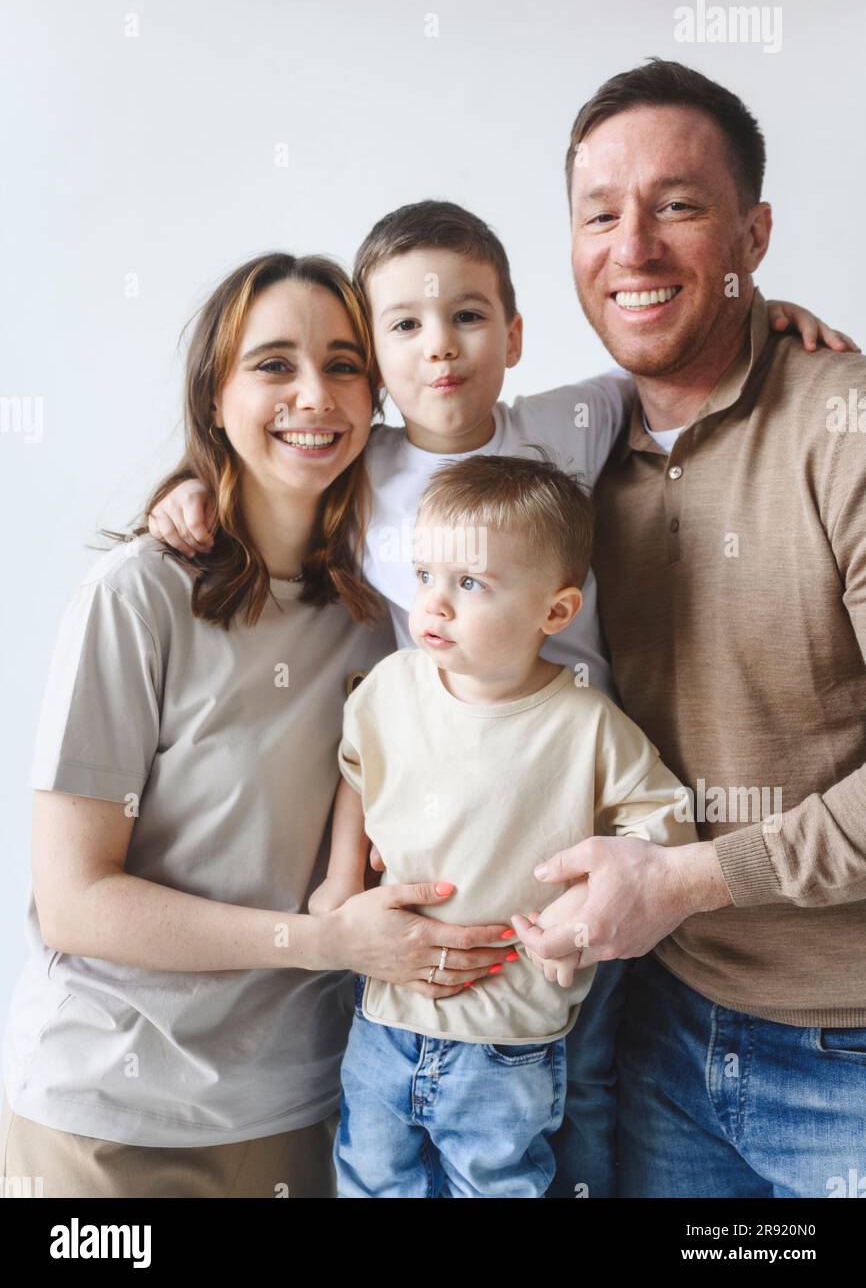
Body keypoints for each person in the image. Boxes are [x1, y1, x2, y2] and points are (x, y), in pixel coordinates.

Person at [148, 200, 849, 1197]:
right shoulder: (365, 472)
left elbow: (680, 350)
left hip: (572, 804)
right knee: (413, 1087)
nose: (439, 349)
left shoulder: (571, 419)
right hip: (449, 817)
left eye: (468, 317)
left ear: (513, 334)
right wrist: (192, 487)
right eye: (403, 327)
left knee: (579, 1077)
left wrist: (766, 312)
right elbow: (271, 471)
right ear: (372, 360)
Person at [0, 252, 512, 1198]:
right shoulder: (138, 595)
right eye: (273, 364)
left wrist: (764, 334)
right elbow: (75, 900)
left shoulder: (386, 609)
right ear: (214, 398)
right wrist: (322, 942)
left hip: (303, 1114)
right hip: (109, 1127)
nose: (314, 395)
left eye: (345, 363)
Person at [508, 57, 866, 1199]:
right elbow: (377, 463)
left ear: (752, 235)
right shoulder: (567, 458)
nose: (632, 249)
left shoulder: (841, 430)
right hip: (654, 1039)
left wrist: (687, 881)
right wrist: (207, 487)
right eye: (597, 214)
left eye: (675, 206)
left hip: (844, 1054)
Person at [311, 453, 696, 1197]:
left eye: (470, 584)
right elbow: (355, 771)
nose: (435, 604)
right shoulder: (391, 688)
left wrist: (579, 913)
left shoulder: (586, 724)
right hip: (385, 1018)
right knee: (367, 1180)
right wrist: (337, 880)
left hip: (507, 1041)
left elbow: (666, 829)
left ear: (554, 612)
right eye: (425, 576)